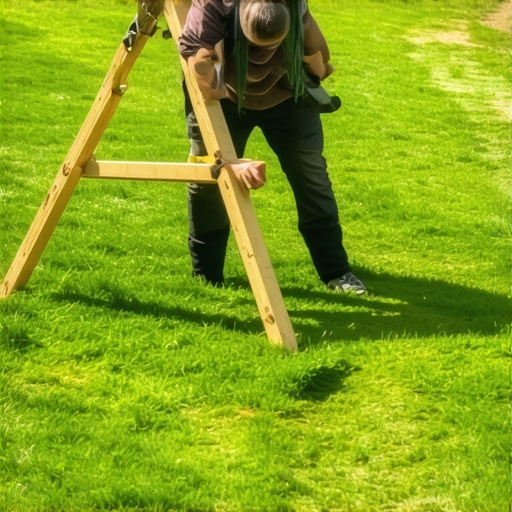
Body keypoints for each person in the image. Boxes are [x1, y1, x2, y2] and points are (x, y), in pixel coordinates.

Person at [178, 0, 367, 294]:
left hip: (289, 99)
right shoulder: (212, 5)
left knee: (312, 178)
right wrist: (228, 159)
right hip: (224, 103)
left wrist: (306, 54)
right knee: (209, 178)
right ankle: (207, 277)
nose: (263, 54)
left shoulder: (295, 5)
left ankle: (337, 271)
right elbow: (202, 69)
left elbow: (320, 65)